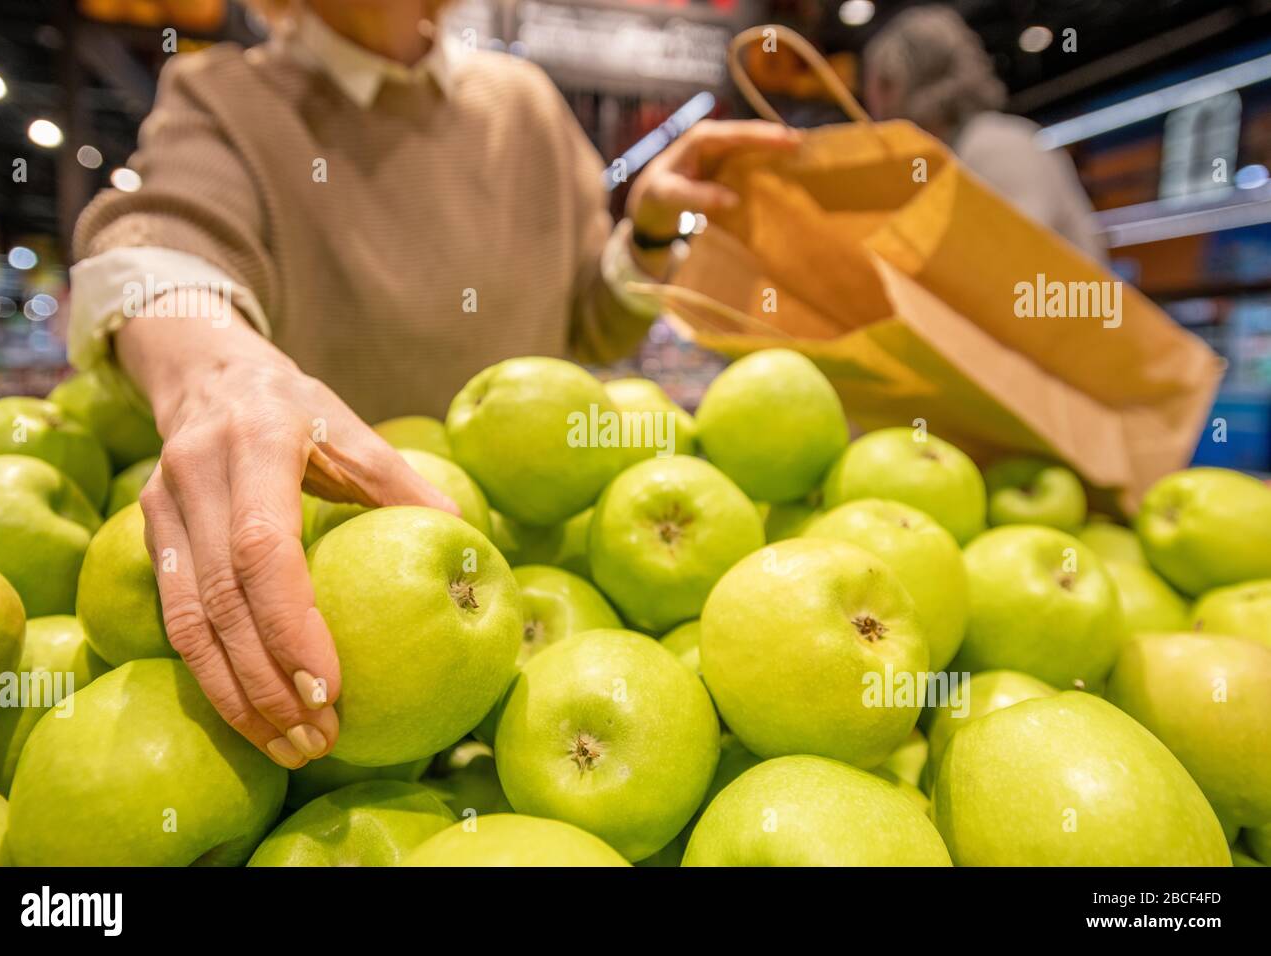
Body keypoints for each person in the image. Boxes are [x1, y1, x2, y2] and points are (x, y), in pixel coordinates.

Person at [67, 0, 798, 768]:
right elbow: (162, 243)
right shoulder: (227, 95)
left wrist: (646, 235)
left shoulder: (524, 106)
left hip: (528, 554)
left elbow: (591, 322)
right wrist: (218, 372)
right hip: (332, 585)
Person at [861, 5, 1105, 261]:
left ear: (905, 84)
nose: (874, 109)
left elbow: (1006, 264)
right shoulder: (957, 154)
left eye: (882, 87)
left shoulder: (997, 146)